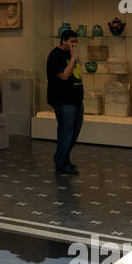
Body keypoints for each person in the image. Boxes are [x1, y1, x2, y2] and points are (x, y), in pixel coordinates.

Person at [47, 29, 84, 174]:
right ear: (63, 41)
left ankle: (62, 158)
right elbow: (64, 75)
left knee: (75, 131)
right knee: (66, 132)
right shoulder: (55, 55)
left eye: (76, 42)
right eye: (72, 42)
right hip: (64, 101)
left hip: (76, 99)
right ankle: (61, 164)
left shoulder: (71, 55)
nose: (74, 45)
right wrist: (74, 58)